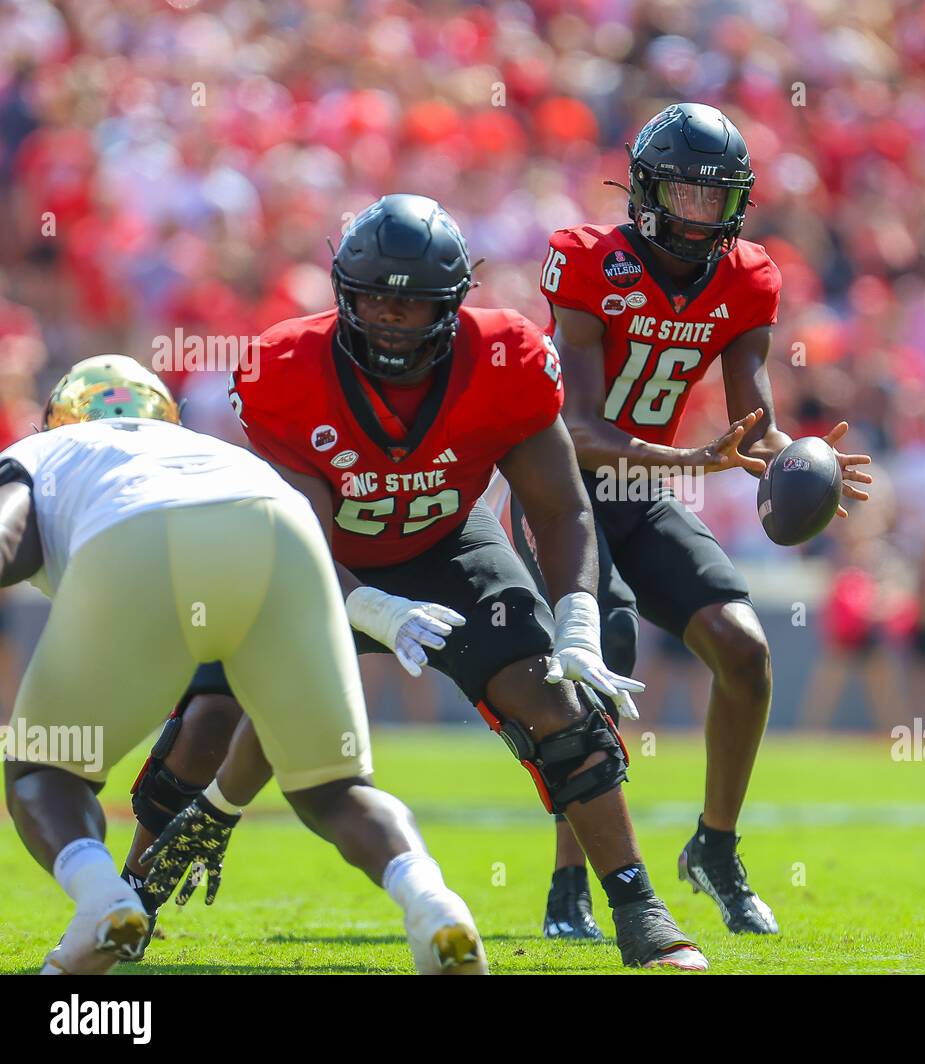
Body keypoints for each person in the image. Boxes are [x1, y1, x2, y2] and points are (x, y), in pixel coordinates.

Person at [120, 195, 706, 971]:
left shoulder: (508, 358)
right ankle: (129, 899)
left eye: (414, 301)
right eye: (376, 298)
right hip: (311, 557)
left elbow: (560, 508)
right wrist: (374, 607)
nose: (393, 317)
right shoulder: (286, 367)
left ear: (455, 300)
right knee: (207, 725)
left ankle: (640, 909)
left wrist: (575, 619)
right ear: (343, 292)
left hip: (447, 543)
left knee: (555, 703)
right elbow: (299, 537)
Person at [1, 355, 485, 974]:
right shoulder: (207, 448)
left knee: (43, 769)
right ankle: (432, 903)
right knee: (335, 788)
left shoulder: (53, 452)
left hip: (137, 535)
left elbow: (7, 536)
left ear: (58, 419)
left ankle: (103, 899)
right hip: (281, 527)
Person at [530, 102, 872, 937]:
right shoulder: (589, 262)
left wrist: (803, 463)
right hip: (563, 490)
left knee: (746, 651)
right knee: (601, 651)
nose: (698, 214)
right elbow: (574, 427)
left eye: (714, 198)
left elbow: (751, 429)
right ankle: (572, 881)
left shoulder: (748, 277)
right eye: (683, 194)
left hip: (643, 488)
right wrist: (691, 462)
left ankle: (714, 848)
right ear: (647, 190)